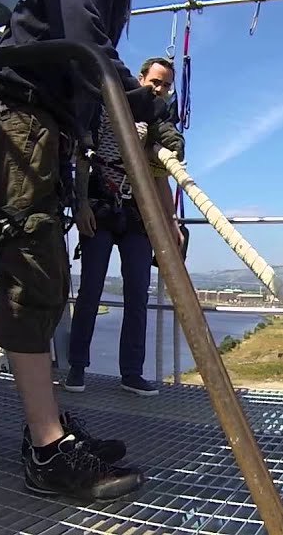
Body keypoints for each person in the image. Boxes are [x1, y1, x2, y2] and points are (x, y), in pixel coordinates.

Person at [0, 0, 201, 501]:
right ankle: (48, 451)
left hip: (44, 129)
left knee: (45, 282)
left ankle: (52, 431)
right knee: (34, 278)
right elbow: (82, 38)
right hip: (19, 121)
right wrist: (140, 99)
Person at [65, 57, 185, 398]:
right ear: (140, 78)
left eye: (165, 85)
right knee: (90, 289)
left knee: (137, 295)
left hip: (136, 213)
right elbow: (84, 157)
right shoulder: (107, 105)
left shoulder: (157, 118)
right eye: (155, 81)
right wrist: (82, 203)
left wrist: (170, 221)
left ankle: (131, 373)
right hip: (101, 207)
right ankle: (77, 366)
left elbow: (160, 174)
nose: (159, 89)